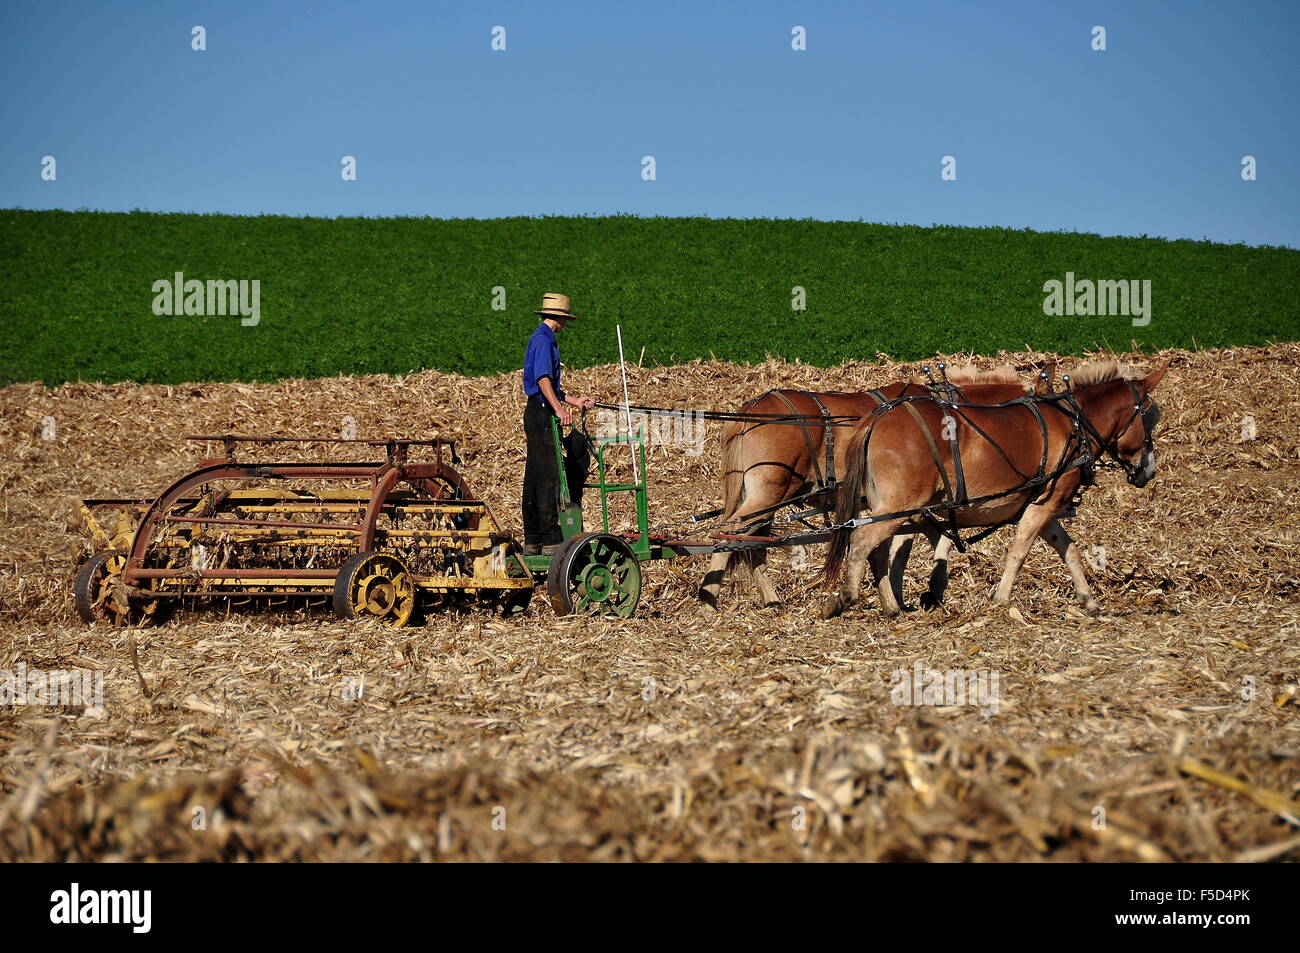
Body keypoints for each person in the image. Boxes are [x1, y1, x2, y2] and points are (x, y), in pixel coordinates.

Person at [521, 293, 597, 555]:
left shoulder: (542, 338)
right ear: (560, 319)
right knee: (548, 475)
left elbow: (551, 386)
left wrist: (574, 401)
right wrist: (558, 409)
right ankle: (550, 537)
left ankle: (533, 539)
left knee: (535, 474)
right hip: (541, 412)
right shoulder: (544, 341)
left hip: (538, 410)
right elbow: (543, 380)